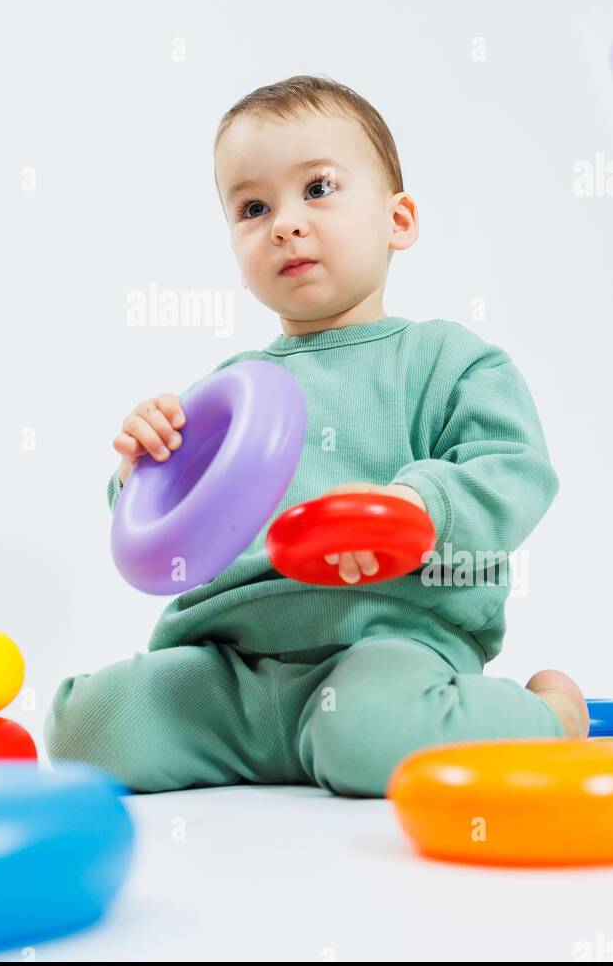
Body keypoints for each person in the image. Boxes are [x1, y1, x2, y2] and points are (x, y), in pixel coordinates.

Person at [44, 74, 588, 797]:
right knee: (85, 730)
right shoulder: (226, 392)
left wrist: (416, 505)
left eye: (319, 189)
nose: (284, 223)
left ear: (398, 220)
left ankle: (548, 716)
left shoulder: (449, 362)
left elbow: (514, 470)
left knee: (367, 730)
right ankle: (273, 744)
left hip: (383, 649)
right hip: (230, 671)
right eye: (253, 206)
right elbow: (167, 538)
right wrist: (141, 469)